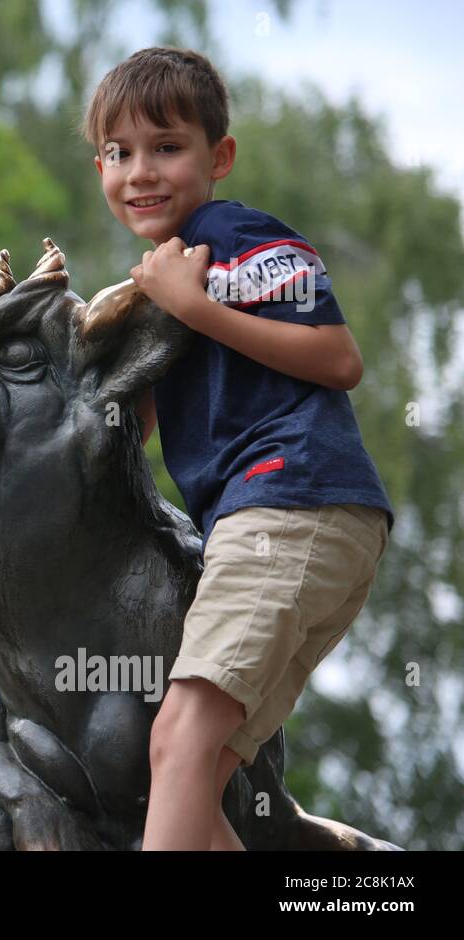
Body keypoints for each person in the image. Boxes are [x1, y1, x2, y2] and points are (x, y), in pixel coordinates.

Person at [79, 46, 395, 850]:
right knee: (195, 766)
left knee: (179, 740)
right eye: (120, 154)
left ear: (218, 157)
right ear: (100, 167)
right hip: (285, 524)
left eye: (167, 147)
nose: (141, 172)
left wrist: (195, 305)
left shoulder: (229, 234)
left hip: (292, 500)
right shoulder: (167, 275)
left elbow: (338, 357)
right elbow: (137, 420)